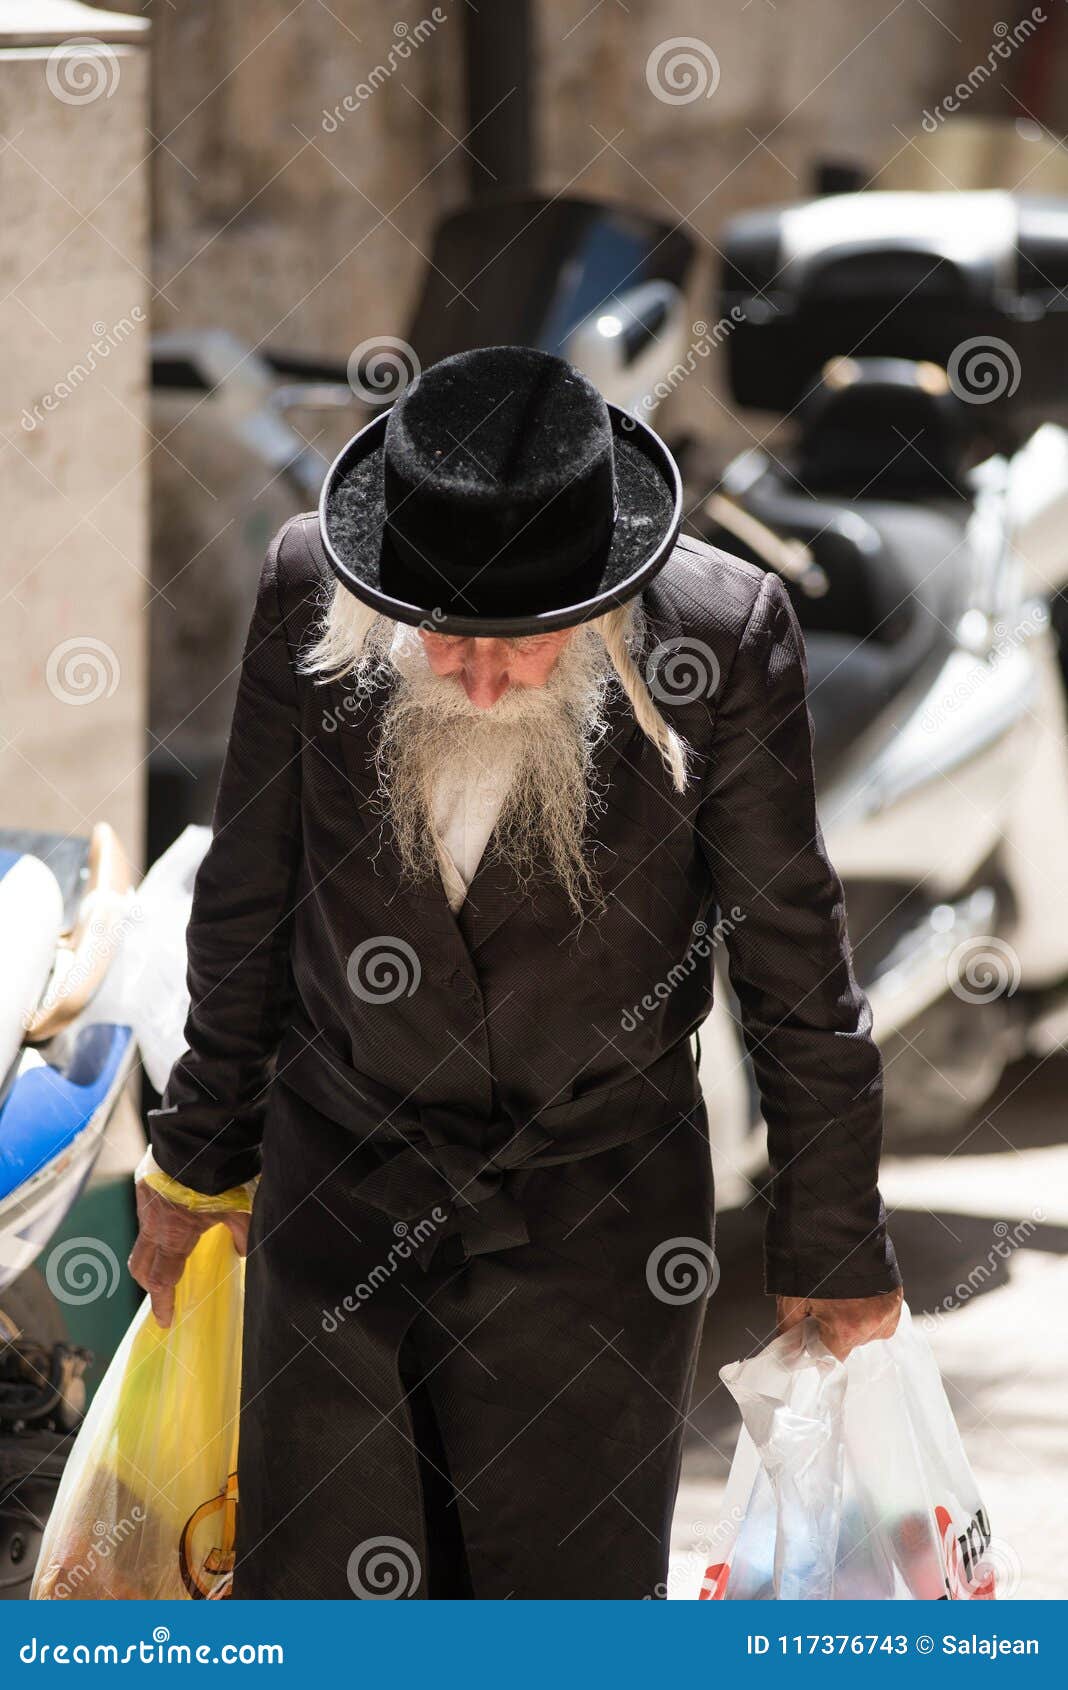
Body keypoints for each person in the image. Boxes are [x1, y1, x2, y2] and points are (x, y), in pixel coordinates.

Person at [130, 345, 902, 1600]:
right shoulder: (302, 591)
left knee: (563, 1627)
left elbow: (795, 958)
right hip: (342, 1208)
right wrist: (196, 1161)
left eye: (523, 645)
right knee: (331, 1627)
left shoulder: (722, 637)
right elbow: (247, 901)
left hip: (596, 1219)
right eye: (443, 636)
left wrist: (833, 1244)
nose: (481, 678)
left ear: (599, 602)